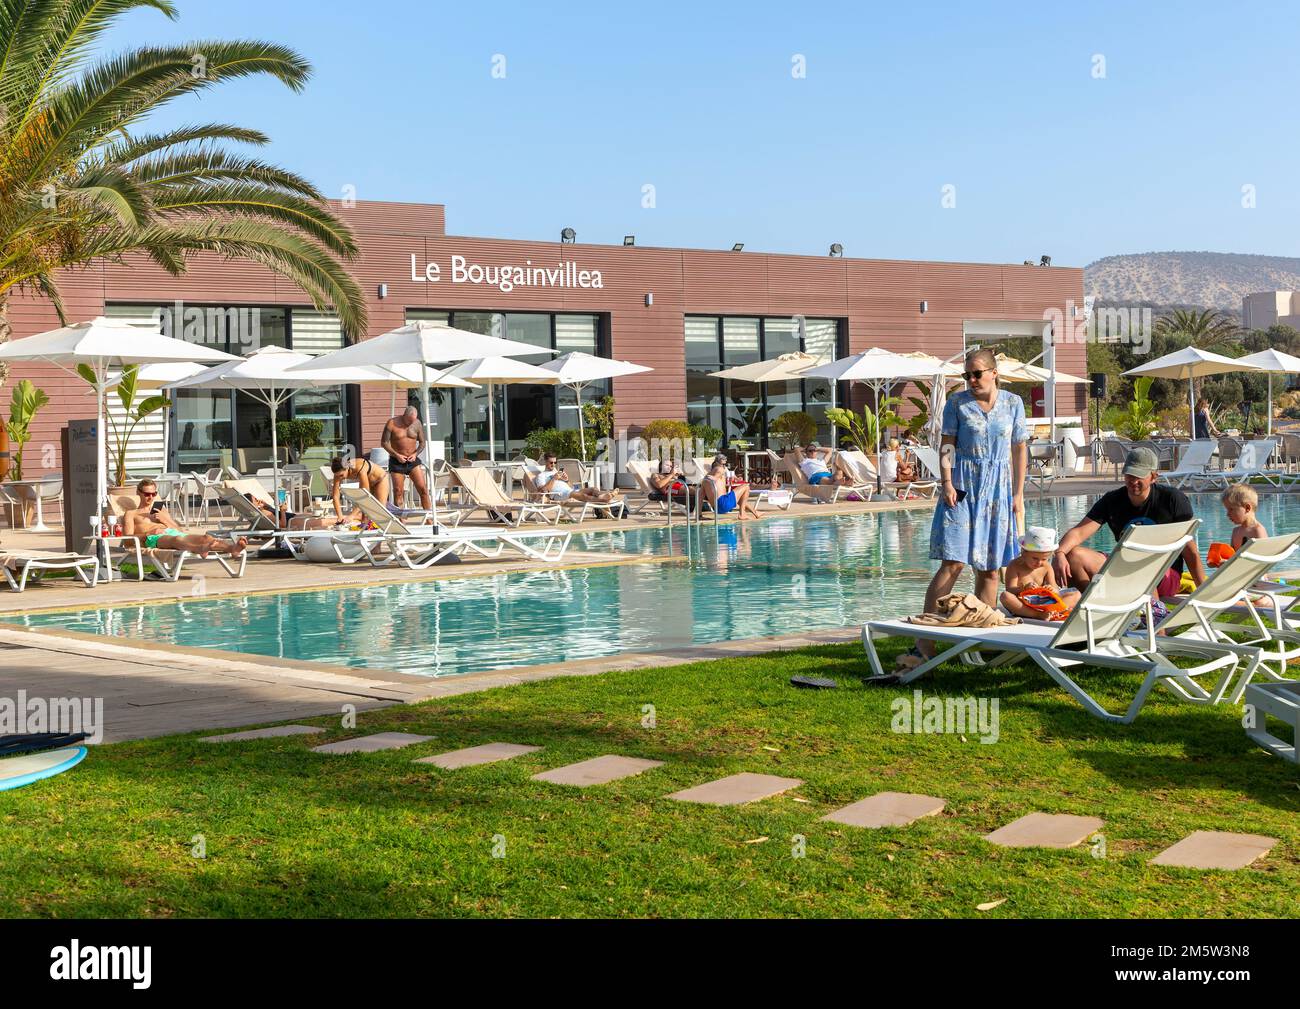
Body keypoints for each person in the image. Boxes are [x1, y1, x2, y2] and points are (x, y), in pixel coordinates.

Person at [913, 349, 1028, 660]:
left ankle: (983, 643)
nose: (971, 380)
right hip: (962, 485)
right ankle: (925, 641)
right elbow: (947, 444)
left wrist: (1017, 493)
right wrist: (947, 482)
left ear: (994, 373)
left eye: (977, 373)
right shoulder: (956, 404)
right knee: (952, 562)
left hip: (997, 489)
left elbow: (1019, 450)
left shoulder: (1013, 403)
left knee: (990, 569)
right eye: (967, 375)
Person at [1054, 445, 1207, 597]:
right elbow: (1079, 532)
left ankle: (1152, 614)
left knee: (1142, 565)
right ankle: (1095, 604)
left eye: (1139, 476)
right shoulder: (1112, 500)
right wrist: (1060, 553)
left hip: (1164, 574)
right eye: (1129, 475)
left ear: (1154, 477)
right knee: (1074, 555)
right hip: (1123, 568)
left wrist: (1204, 593)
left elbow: (1190, 551)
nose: (1133, 481)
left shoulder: (1172, 500)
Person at [123, 479, 247, 557]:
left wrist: (165, 520)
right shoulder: (131, 514)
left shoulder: (161, 509)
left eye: (153, 494)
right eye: (146, 494)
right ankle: (199, 548)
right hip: (152, 538)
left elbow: (179, 530)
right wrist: (148, 533)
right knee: (176, 539)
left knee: (206, 537)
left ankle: (232, 549)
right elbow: (127, 540)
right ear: (138, 493)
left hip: (172, 533)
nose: (150, 497)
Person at [1000, 526, 1081, 620]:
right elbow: (1010, 589)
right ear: (1023, 552)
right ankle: (1037, 614)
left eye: (1043, 559)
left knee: (1076, 594)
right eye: (1034, 558)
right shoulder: (1014, 565)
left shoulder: (1046, 567)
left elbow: (1056, 590)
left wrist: (1051, 589)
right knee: (1005, 596)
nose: (1039, 563)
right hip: (1024, 602)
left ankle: (1051, 612)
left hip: (1043, 602)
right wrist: (1024, 589)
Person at [381, 406, 431, 510]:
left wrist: (416, 454)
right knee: (398, 491)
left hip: (412, 461)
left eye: (413, 420)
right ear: (404, 415)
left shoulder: (417, 423)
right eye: (409, 420)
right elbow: (384, 443)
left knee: (423, 490)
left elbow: (422, 443)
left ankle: (429, 518)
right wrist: (396, 455)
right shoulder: (392, 423)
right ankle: (402, 519)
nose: (410, 423)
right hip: (396, 461)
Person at [530, 453, 622, 507]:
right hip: (559, 494)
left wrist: (566, 480)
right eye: (551, 462)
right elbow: (543, 491)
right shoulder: (541, 476)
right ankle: (604, 499)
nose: (553, 464)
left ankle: (602, 496)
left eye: (555, 462)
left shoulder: (557, 472)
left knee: (592, 489)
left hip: (569, 490)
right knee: (583, 496)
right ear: (545, 462)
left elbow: (570, 486)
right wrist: (554, 479)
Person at [329, 455, 390, 520]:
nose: (340, 478)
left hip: (380, 480)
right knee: (365, 515)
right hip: (369, 482)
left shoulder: (359, 468)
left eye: (341, 475)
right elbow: (335, 496)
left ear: (347, 467)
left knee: (381, 511)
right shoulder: (338, 474)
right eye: (338, 476)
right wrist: (340, 516)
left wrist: (352, 516)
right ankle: (365, 526)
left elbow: (365, 496)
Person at [1222, 483, 1267, 551]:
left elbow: (1264, 556)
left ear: (1247, 508)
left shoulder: (1257, 530)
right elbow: (1231, 556)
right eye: (1227, 510)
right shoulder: (1235, 531)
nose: (1227, 514)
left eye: (1231, 509)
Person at [789, 442, 856, 486]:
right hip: (816, 476)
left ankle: (841, 482)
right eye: (810, 451)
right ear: (806, 452)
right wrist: (805, 448)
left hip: (827, 474)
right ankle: (844, 483)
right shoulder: (804, 461)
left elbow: (830, 450)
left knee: (839, 472)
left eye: (814, 450)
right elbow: (796, 450)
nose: (812, 452)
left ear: (817, 452)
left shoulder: (821, 461)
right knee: (828, 480)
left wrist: (818, 448)